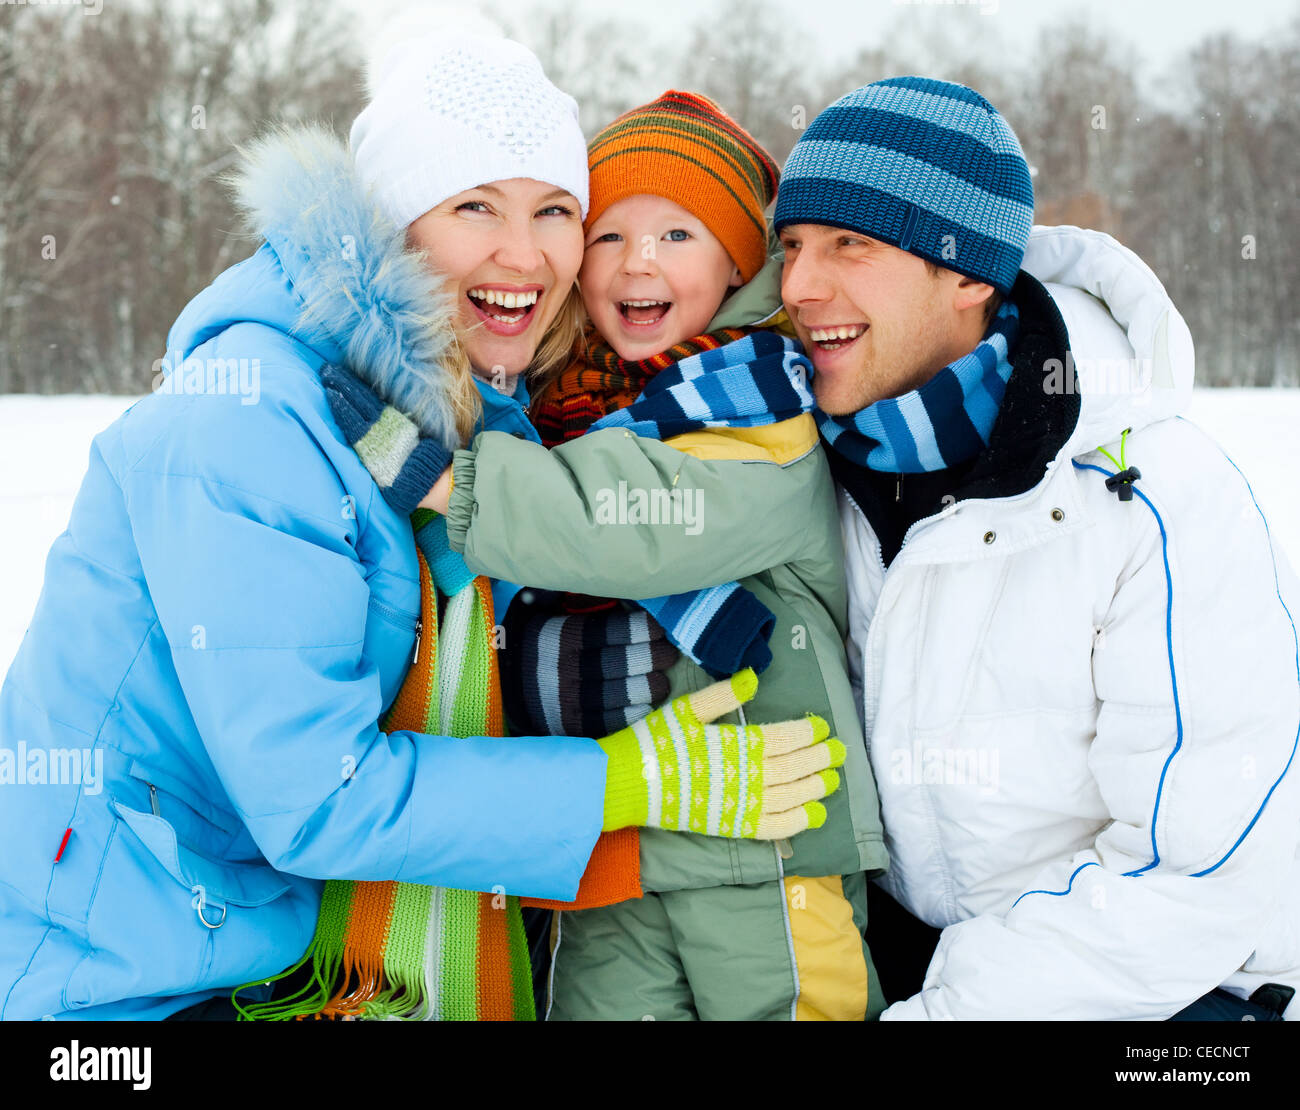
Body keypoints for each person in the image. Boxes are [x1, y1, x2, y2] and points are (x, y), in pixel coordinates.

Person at [0, 32, 836, 1022]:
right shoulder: (249, 419)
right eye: (474, 204)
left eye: (555, 211)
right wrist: (617, 784)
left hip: (282, 956)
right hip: (123, 979)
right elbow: (317, 796)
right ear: (392, 221)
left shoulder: (459, 413)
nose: (522, 254)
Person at [329, 90, 887, 1020]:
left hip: (765, 839)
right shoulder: (562, 410)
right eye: (609, 235)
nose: (638, 263)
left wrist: (441, 482)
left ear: (740, 259)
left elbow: (624, 527)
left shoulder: (759, 406)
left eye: (678, 236)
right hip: (613, 836)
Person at [768, 76, 1300, 1020]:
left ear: (970, 273)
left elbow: (1199, 876)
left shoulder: (1152, 497)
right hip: (916, 957)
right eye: (794, 246)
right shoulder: (809, 463)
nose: (801, 287)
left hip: (1178, 994)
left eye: (851, 243)